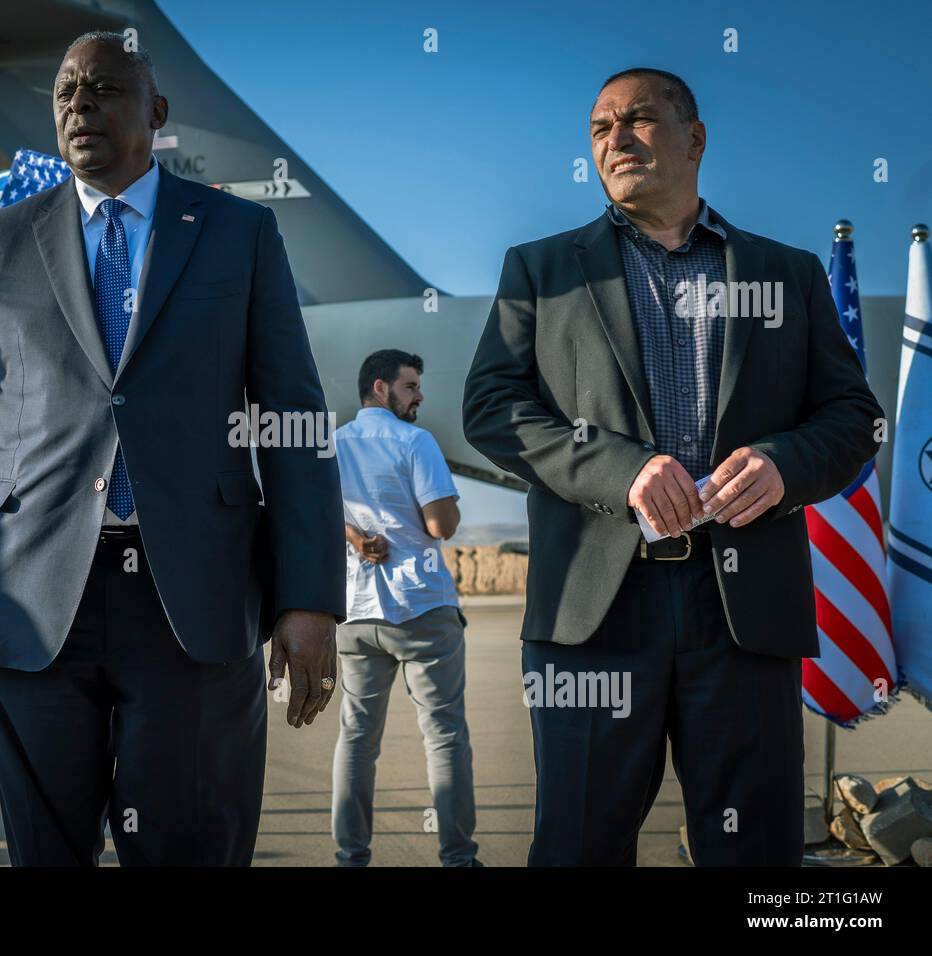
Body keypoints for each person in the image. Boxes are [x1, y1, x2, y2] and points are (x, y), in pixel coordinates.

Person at [0, 31, 345, 866]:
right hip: (31, 604)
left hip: (195, 607)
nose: (79, 105)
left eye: (103, 88)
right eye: (64, 93)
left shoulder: (240, 234)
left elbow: (294, 423)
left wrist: (307, 601)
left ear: (157, 113)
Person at [463, 68, 883, 866]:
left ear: (694, 140)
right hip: (594, 613)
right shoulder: (542, 270)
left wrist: (784, 463)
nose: (616, 138)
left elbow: (854, 419)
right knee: (578, 846)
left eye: (639, 120)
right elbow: (492, 408)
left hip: (744, 612)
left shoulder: (787, 273)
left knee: (756, 851)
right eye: (600, 128)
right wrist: (620, 469)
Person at [332, 349, 480, 867]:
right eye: (412, 386)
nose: (420, 396)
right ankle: (458, 858)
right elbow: (442, 525)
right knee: (443, 737)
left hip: (355, 612)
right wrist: (446, 507)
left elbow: (321, 512)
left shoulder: (334, 445)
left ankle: (351, 858)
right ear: (381, 388)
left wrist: (355, 536)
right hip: (420, 609)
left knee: (356, 738)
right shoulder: (415, 441)